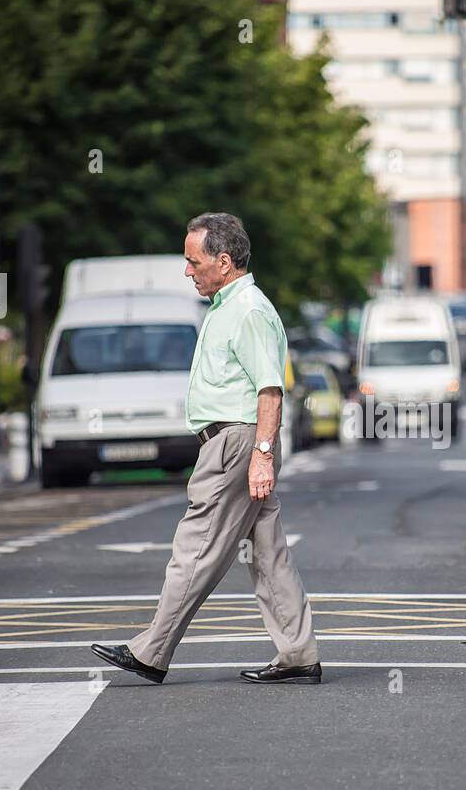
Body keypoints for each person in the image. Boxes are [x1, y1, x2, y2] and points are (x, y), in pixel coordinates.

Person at [91, 212, 321, 685]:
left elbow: (270, 390)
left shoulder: (248, 310)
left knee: (195, 548)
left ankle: (151, 651)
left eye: (193, 261)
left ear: (223, 260)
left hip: (233, 443)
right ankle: (298, 654)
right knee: (267, 554)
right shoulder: (225, 305)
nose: (187, 270)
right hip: (234, 442)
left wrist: (261, 453)